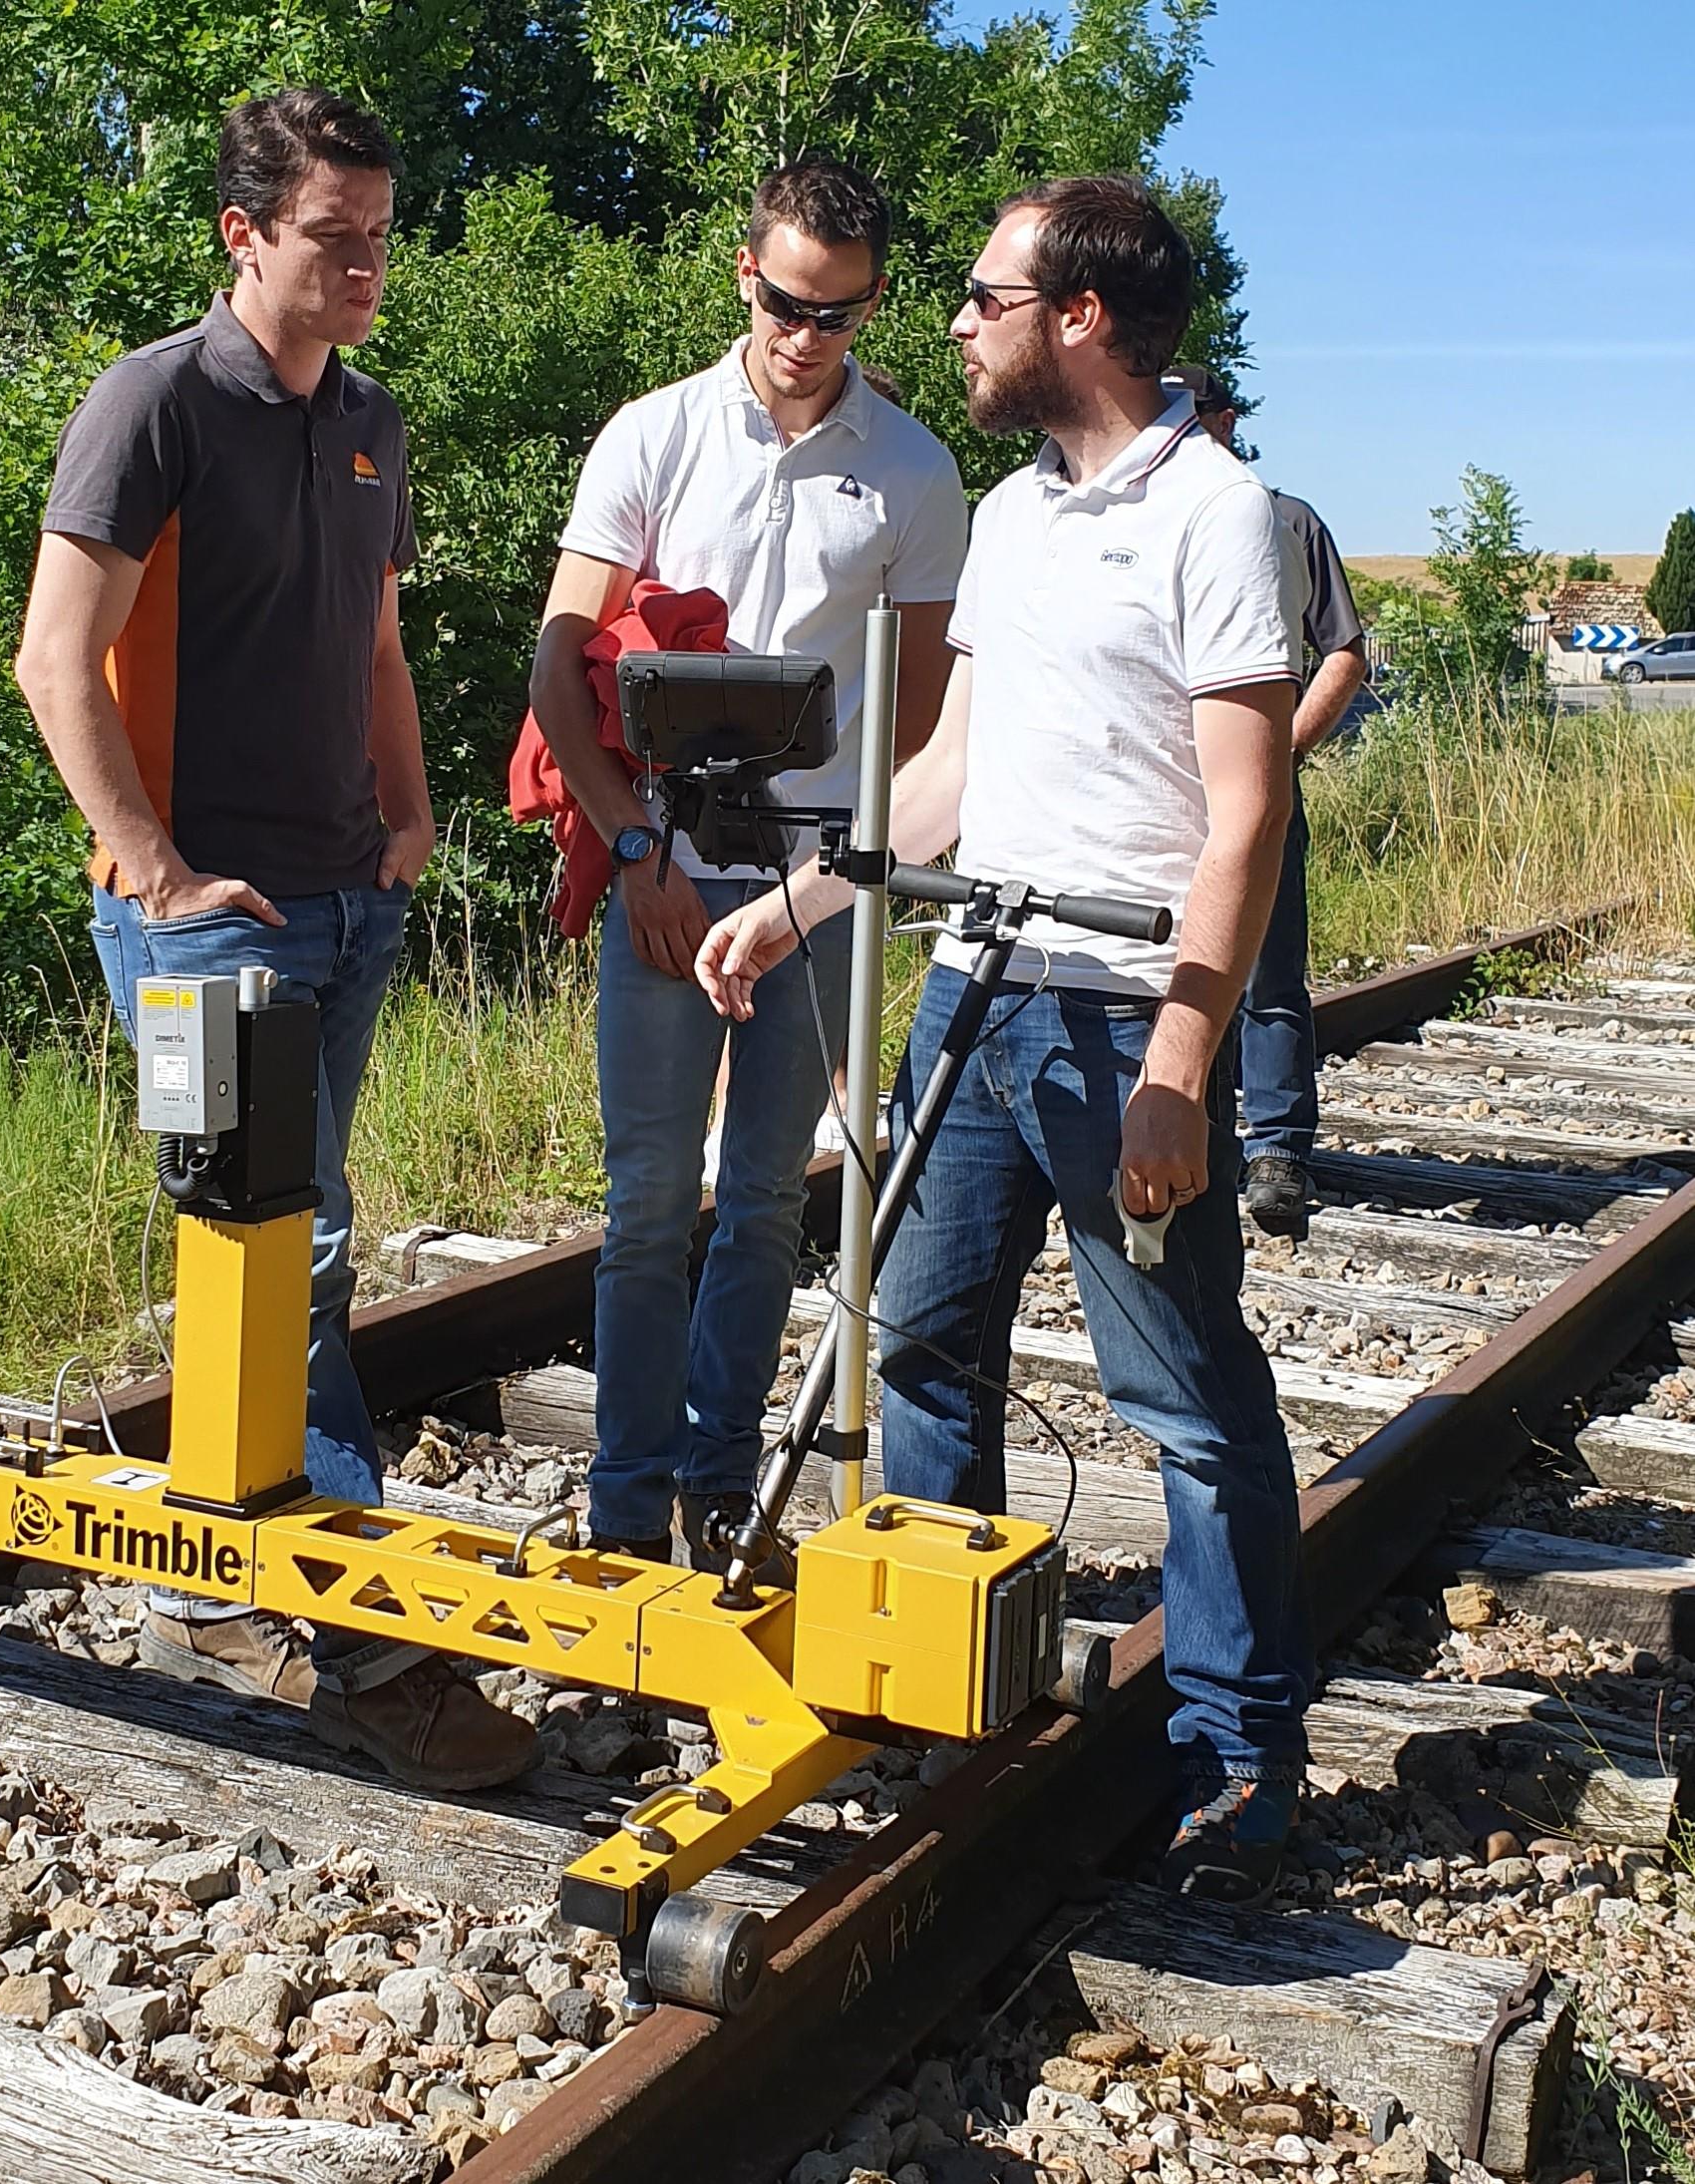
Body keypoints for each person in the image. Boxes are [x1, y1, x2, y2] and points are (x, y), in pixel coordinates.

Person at [698, 175, 1313, 1900]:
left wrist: (1188, 1067)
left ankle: (1241, 1754)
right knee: (927, 1352)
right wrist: (801, 899)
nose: (955, 323)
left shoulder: (1224, 517)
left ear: (1086, 318)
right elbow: (950, 777)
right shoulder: (1017, 515)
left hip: (1127, 1017)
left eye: (985, 295)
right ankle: (938, 1689)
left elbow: (1245, 821)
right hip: (979, 991)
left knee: (1184, 1406)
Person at [14, 87, 534, 1793]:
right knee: (284, 1255)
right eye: (336, 235)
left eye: (382, 234)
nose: (370, 263)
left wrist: (408, 824)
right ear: (247, 236)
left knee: (278, 1252)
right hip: (203, 926)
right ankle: (373, 1652)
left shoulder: (371, 419)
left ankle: (216, 1572)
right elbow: (52, 657)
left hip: (341, 899)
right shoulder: (153, 403)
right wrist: (153, 867)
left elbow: (378, 649)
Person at [528, 159, 967, 1567]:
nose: (802, 334)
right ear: (742, 276)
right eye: (783, 302)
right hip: (663, 855)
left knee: (770, 1195)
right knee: (650, 1192)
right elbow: (556, 662)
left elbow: (920, 722)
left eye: (834, 315)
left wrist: (835, 876)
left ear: (870, 306)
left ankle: (720, 1481)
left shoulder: (909, 468)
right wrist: (634, 837)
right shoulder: (651, 437)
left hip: (818, 874)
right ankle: (621, 1491)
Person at [1168, 365, 1368, 1237]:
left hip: (1252, 789)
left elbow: (1343, 650)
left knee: (1268, 972)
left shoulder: (1285, 519)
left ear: (1224, 419)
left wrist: (1280, 748)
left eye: (1191, 410)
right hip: (1156, 792)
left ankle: (1279, 1148)